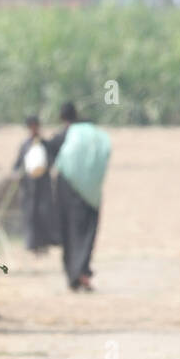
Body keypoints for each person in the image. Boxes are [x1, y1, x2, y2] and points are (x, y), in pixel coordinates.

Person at [43, 101, 110, 292]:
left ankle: (74, 274)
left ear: (62, 117)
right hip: (92, 192)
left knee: (69, 232)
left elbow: (49, 151)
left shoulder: (67, 134)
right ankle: (82, 272)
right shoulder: (95, 134)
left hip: (67, 188)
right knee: (87, 232)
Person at [11, 114, 58, 254]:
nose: (33, 129)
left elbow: (51, 162)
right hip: (28, 187)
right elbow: (18, 163)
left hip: (43, 186)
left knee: (44, 213)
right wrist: (16, 174)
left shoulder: (45, 144)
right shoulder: (25, 145)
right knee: (30, 214)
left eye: (35, 126)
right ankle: (32, 244)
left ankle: (44, 243)